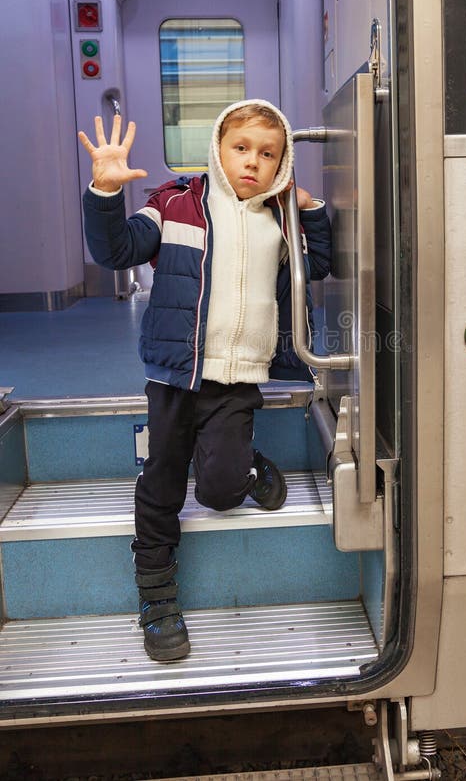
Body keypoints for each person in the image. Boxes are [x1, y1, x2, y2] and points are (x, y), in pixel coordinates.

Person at [79, 100, 331, 662]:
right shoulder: (173, 204)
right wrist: (104, 192)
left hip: (237, 378)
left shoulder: (279, 218)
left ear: (282, 163)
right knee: (163, 485)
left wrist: (308, 209)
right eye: (241, 148)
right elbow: (116, 249)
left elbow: (317, 266)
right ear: (217, 149)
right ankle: (158, 600)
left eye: (268, 154)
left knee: (218, 492)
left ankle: (242, 464)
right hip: (174, 375)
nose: (252, 163)